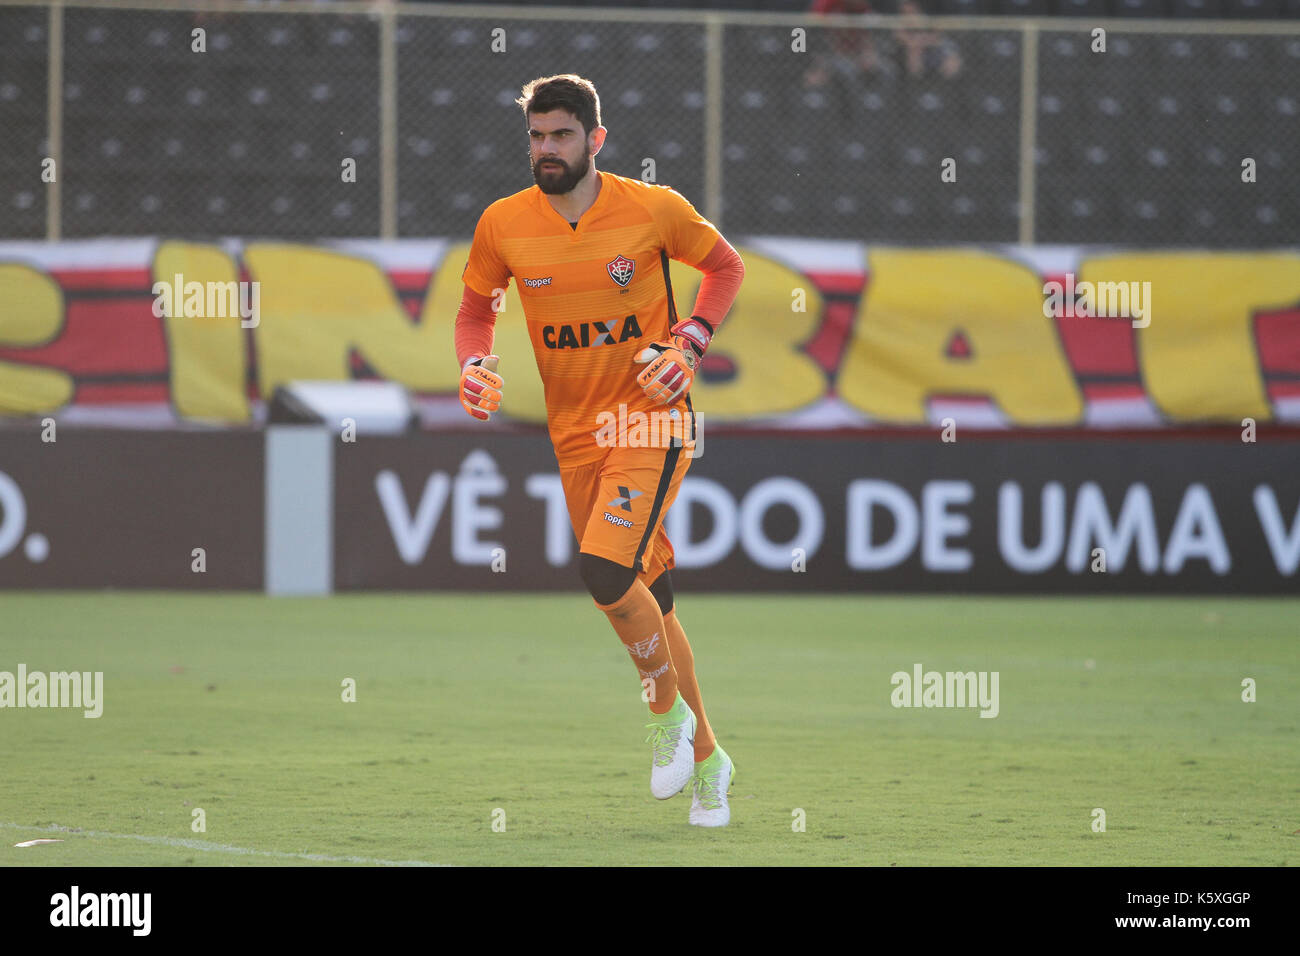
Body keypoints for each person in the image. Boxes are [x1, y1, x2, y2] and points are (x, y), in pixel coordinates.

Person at [453, 74, 746, 827]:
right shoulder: (504, 224)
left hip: (651, 420)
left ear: (596, 140)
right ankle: (709, 756)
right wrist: (472, 364)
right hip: (575, 435)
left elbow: (725, 268)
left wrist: (691, 339)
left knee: (604, 570)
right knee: (652, 598)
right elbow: (473, 310)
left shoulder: (653, 208)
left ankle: (663, 716)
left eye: (561, 135)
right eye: (536, 136)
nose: (546, 149)